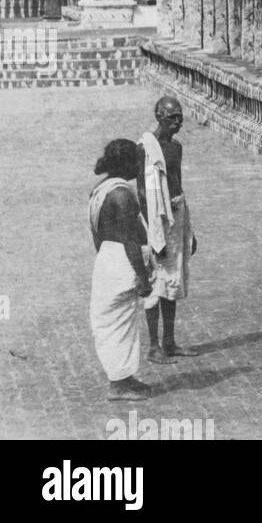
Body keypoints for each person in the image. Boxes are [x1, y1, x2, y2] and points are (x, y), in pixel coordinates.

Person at [89, 139, 154, 400]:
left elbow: (96, 232)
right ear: (127, 163)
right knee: (118, 323)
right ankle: (118, 384)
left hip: (107, 256)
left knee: (121, 320)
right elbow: (130, 239)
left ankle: (125, 378)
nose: (141, 166)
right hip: (122, 259)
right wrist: (142, 275)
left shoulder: (102, 188)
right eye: (138, 160)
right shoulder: (122, 195)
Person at [138, 95, 197, 363]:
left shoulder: (177, 148)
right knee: (155, 282)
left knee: (172, 280)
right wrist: (153, 231)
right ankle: (153, 347)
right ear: (159, 116)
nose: (178, 124)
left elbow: (179, 184)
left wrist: (189, 230)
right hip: (156, 220)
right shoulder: (145, 148)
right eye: (173, 119)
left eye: (180, 119)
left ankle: (169, 342)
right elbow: (142, 191)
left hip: (177, 215)